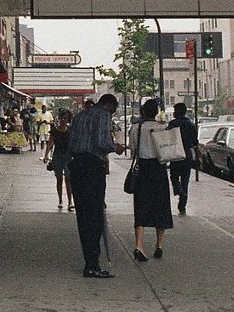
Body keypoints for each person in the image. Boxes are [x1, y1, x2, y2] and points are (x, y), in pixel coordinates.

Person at [67, 93, 126, 278]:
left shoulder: (79, 116)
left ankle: (89, 261)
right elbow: (101, 142)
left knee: (84, 216)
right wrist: (115, 147)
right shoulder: (102, 115)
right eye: (114, 111)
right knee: (95, 215)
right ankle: (93, 264)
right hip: (92, 166)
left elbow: (71, 142)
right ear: (109, 106)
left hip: (76, 166)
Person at [128, 99, 173, 262]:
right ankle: (159, 245)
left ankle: (139, 245)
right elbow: (168, 151)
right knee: (161, 205)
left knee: (141, 205)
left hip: (143, 170)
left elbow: (133, 150)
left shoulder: (136, 128)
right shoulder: (164, 127)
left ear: (143, 112)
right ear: (156, 112)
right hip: (159, 169)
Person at [166, 102, 199, 215]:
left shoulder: (172, 124)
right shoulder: (190, 124)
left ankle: (178, 189)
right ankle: (182, 206)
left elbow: (167, 139)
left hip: (175, 153)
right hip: (187, 153)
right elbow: (195, 141)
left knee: (174, 176)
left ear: (176, 112)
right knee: (185, 180)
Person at [43, 108, 74, 210]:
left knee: (68, 179)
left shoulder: (71, 131)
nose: (63, 120)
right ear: (59, 119)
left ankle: (70, 201)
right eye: (62, 118)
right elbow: (50, 144)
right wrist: (46, 155)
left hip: (68, 156)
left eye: (65, 118)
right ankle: (60, 200)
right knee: (59, 179)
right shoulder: (54, 132)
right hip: (57, 156)